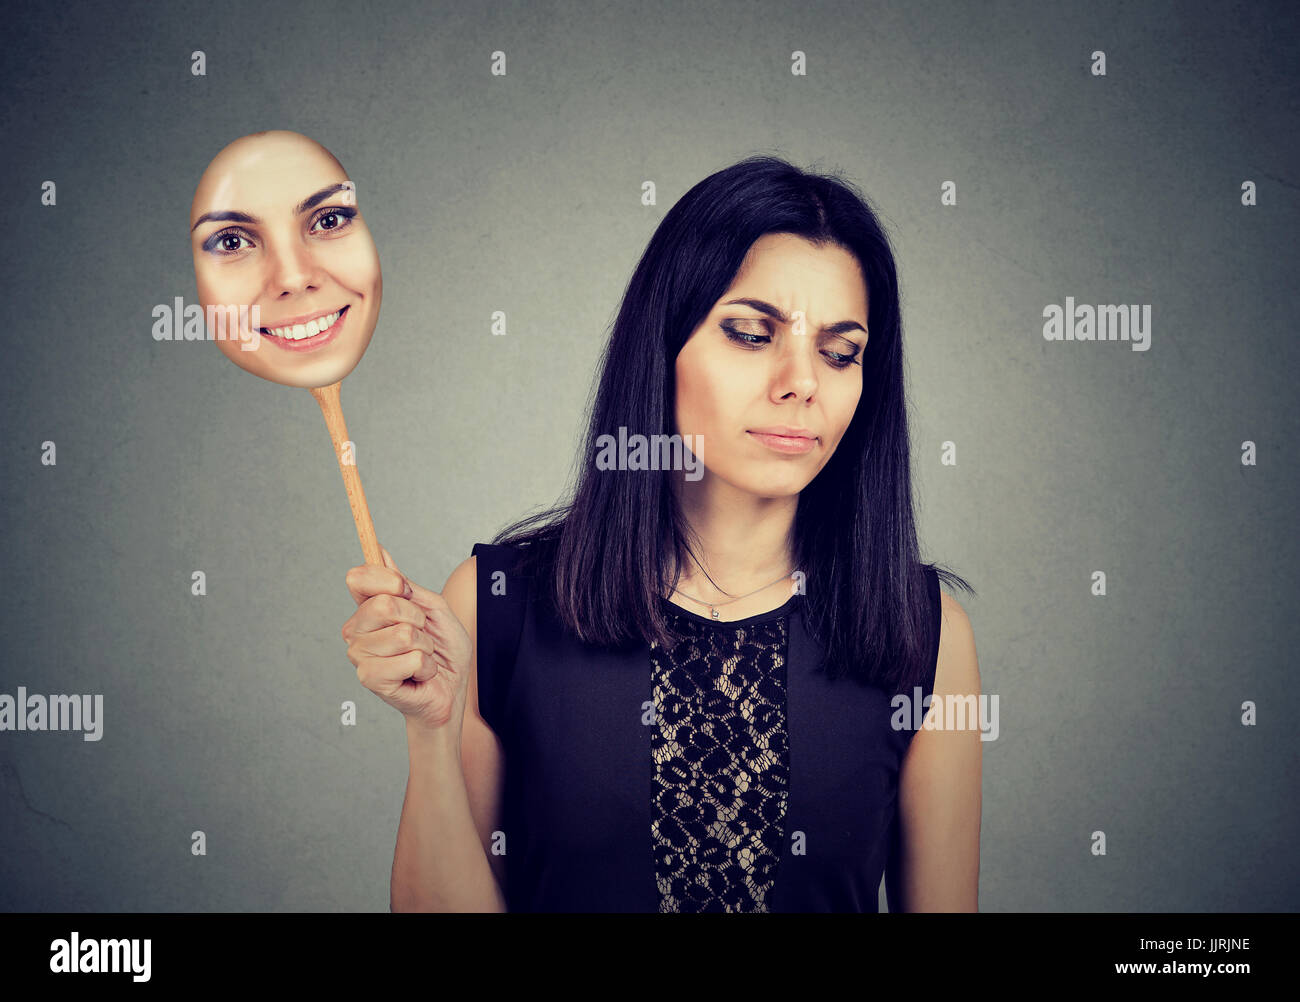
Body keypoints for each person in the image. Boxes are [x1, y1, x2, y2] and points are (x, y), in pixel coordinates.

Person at [341, 155, 982, 912]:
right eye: (750, 334)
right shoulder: (496, 607)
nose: (802, 381)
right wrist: (430, 735)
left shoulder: (923, 632)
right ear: (662, 345)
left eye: (841, 353)